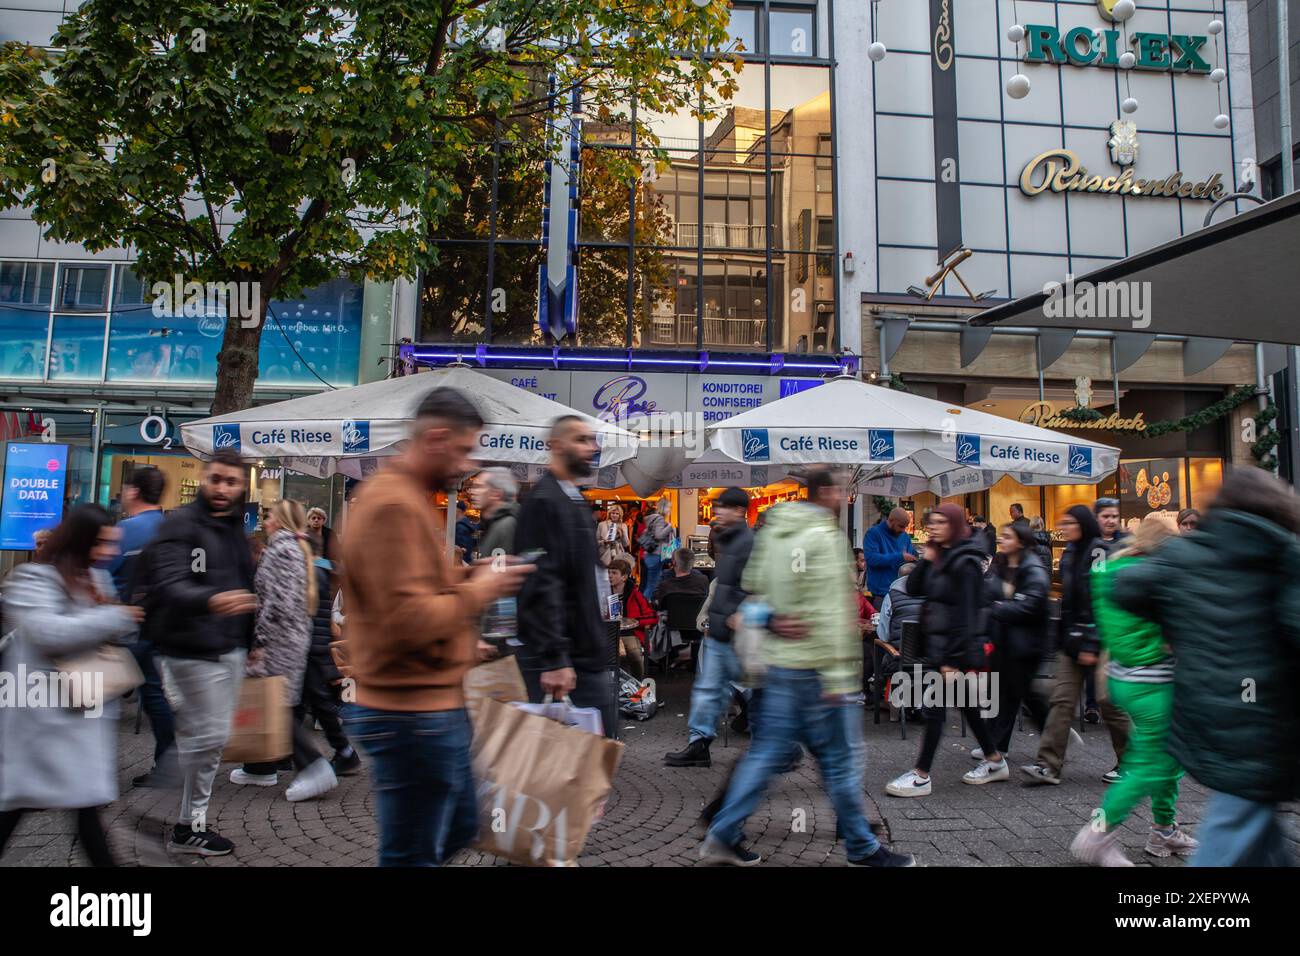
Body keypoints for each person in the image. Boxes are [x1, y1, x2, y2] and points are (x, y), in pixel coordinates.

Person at [338, 388, 531, 866]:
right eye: (466, 450)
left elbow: (418, 590)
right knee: (412, 854)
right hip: (408, 710)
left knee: (458, 827)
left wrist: (472, 575)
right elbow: (407, 621)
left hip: (428, 703)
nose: (468, 465)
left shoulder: (406, 497)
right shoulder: (392, 505)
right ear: (438, 437)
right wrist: (480, 590)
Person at [700, 469, 915, 867]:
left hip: (780, 665)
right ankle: (862, 848)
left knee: (767, 755)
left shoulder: (774, 532)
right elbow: (832, 611)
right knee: (839, 760)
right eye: (838, 491)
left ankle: (724, 833)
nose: (841, 498)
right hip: (817, 670)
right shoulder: (826, 538)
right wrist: (839, 680)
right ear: (828, 493)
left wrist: (771, 618)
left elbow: (755, 584)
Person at [1111, 469, 1300, 867]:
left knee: (1256, 825)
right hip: (1264, 717)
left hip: (1203, 707)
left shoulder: (1185, 553)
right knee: (1238, 819)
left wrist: (1174, 615)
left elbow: (1125, 588)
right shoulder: (1285, 554)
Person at [0, 505, 143, 866]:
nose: (110, 553)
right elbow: (51, 634)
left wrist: (116, 618)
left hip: (79, 716)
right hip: (41, 719)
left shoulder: (94, 580)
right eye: (103, 543)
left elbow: (101, 633)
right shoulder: (34, 580)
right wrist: (115, 616)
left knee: (82, 812)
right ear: (81, 541)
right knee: (23, 804)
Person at [1071, 514, 1197, 867]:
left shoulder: (1112, 570)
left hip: (1125, 678)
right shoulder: (1152, 580)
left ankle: (1164, 830)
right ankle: (1097, 832)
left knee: (1167, 758)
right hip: (1153, 681)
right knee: (1151, 764)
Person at [151, 450, 259, 856]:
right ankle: (175, 806)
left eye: (231, 482)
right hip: (191, 646)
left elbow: (245, 587)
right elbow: (169, 583)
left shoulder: (234, 528)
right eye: (217, 479)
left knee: (214, 740)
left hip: (226, 648)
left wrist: (250, 642)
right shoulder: (181, 523)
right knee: (210, 735)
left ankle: (188, 822)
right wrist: (212, 601)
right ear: (205, 478)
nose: (223, 488)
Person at [884, 504, 1008, 797]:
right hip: (942, 646)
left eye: (940, 522)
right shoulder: (942, 557)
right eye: (932, 522)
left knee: (934, 710)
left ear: (953, 525)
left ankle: (921, 775)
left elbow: (967, 613)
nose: (934, 527)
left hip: (953, 650)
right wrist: (927, 557)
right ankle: (994, 760)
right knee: (966, 705)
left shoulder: (965, 563)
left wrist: (952, 660)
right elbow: (913, 588)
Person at [515, 415, 619, 737]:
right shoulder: (544, 502)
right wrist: (555, 658)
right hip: (567, 660)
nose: (593, 447)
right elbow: (542, 584)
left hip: (584, 653)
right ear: (556, 446)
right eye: (582, 440)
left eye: (592, 440)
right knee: (572, 764)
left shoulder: (573, 499)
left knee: (591, 760)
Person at [232, 499, 339, 801]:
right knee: (275, 702)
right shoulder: (294, 548)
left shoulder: (282, 549)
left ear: (278, 521)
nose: (265, 521)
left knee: (276, 705)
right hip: (290, 637)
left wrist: (261, 641)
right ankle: (258, 765)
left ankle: (313, 766)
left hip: (280, 640)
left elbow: (280, 602)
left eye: (269, 517)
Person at [1020, 505, 1130, 787]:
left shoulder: (1098, 552)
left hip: (1103, 637)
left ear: (1081, 524)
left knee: (1109, 701)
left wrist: (1091, 640)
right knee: (1061, 701)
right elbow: (1070, 601)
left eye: (1068, 522)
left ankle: (1133, 762)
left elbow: (1099, 598)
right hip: (1073, 640)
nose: (1064, 526)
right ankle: (1048, 765)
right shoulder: (1070, 553)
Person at [665, 487, 753, 768]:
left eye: (723, 507)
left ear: (739, 511)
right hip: (719, 631)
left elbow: (759, 587)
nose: (717, 512)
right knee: (708, 689)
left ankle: (785, 746)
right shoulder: (728, 543)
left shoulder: (749, 544)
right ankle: (698, 744)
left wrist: (743, 615)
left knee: (752, 690)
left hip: (736, 634)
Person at [108, 465, 176, 789]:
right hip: (162, 625)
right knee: (153, 692)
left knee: (109, 697)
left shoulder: (126, 530)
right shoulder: (169, 528)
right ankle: (166, 759)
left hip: (127, 626)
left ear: (133, 492)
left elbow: (105, 575)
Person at [981, 523, 1051, 760]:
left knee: (1026, 697)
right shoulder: (1002, 564)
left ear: (1020, 541)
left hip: (1026, 644)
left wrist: (999, 608)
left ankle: (1054, 743)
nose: (1001, 539)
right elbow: (989, 591)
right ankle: (996, 746)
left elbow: (1031, 604)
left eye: (1007, 536)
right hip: (1005, 641)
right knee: (1005, 694)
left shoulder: (1033, 568)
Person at [306, 553, 359, 777]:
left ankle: (347, 715)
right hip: (337, 639)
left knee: (344, 672)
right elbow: (334, 618)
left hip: (347, 640)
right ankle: (343, 746)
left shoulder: (316, 576)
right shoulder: (339, 591)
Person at [608, 558, 654, 678]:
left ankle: (638, 686)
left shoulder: (635, 595)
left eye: (614, 573)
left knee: (635, 655)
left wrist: (636, 622)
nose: (610, 576)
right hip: (607, 632)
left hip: (629, 632)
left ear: (624, 577)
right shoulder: (603, 593)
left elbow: (652, 616)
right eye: (609, 573)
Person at [862, 507, 916, 604]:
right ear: (891, 520)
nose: (903, 530)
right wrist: (900, 557)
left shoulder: (905, 537)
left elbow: (909, 559)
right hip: (880, 594)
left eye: (905, 527)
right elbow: (872, 559)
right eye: (901, 526)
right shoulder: (873, 533)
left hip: (902, 593)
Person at [471, 467, 519, 560]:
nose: (472, 492)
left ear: (496, 494)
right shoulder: (494, 523)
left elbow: (499, 570)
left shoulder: (505, 525)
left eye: (479, 487)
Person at [639, 498, 676, 600]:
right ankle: (645, 606)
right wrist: (669, 526)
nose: (670, 510)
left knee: (652, 583)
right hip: (655, 555)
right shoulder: (659, 519)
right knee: (652, 585)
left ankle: (648, 605)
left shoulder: (653, 519)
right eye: (669, 507)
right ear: (664, 507)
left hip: (651, 555)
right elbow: (659, 535)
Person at [596, 502, 632, 569]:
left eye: (617, 514)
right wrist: (604, 542)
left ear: (620, 515)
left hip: (618, 554)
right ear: (609, 514)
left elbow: (626, 544)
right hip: (604, 554)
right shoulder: (602, 524)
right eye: (613, 513)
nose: (614, 515)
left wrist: (623, 532)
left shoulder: (623, 525)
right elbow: (595, 541)